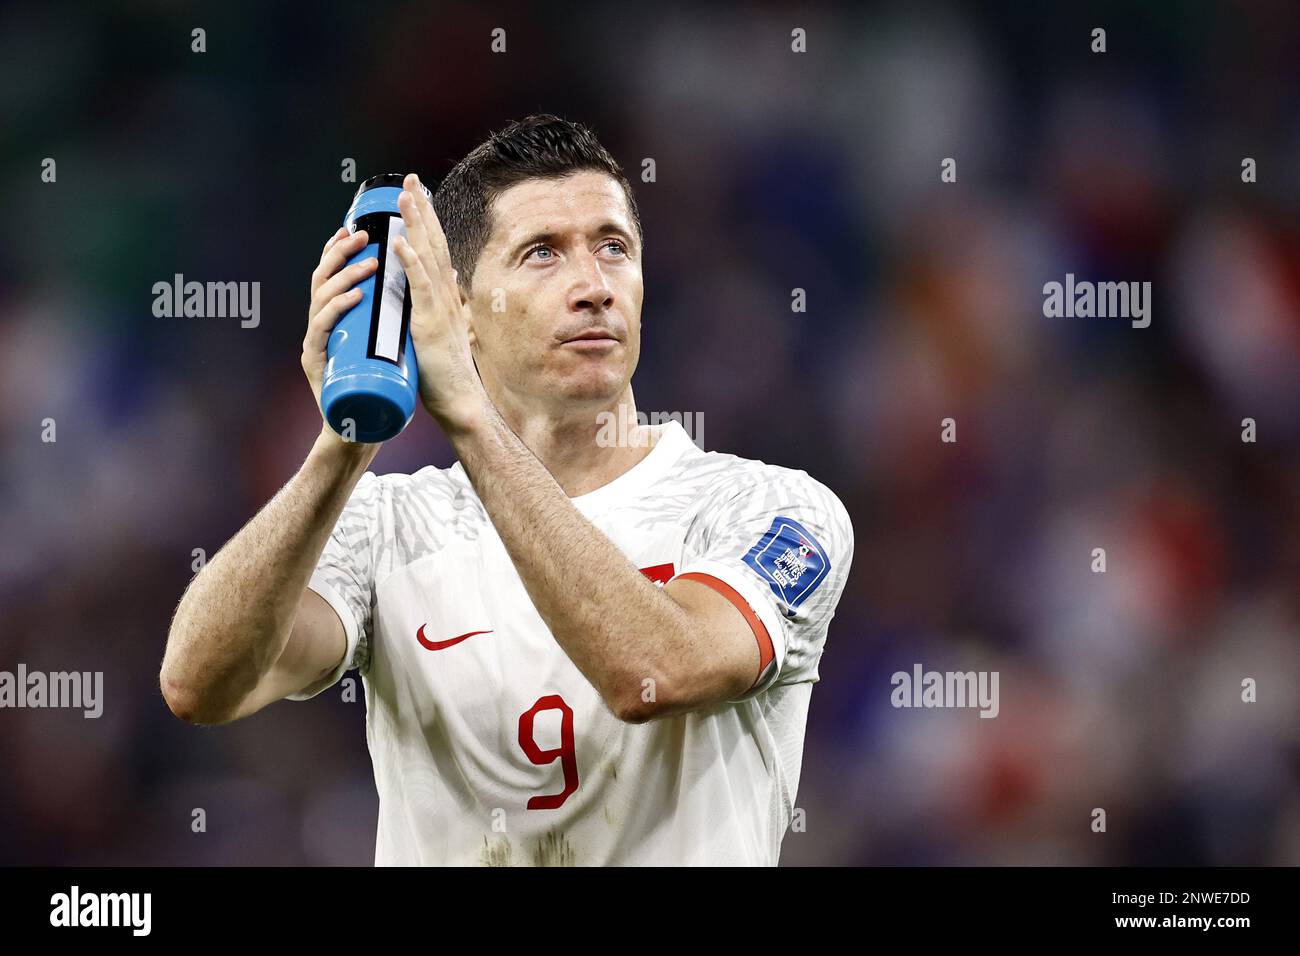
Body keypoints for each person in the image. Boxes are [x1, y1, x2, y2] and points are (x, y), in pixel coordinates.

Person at [161, 114, 854, 866]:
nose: (593, 287)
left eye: (613, 247)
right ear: (454, 307)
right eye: (542, 255)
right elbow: (201, 685)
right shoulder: (389, 527)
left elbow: (658, 671)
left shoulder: (771, 510)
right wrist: (342, 445)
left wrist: (466, 416)